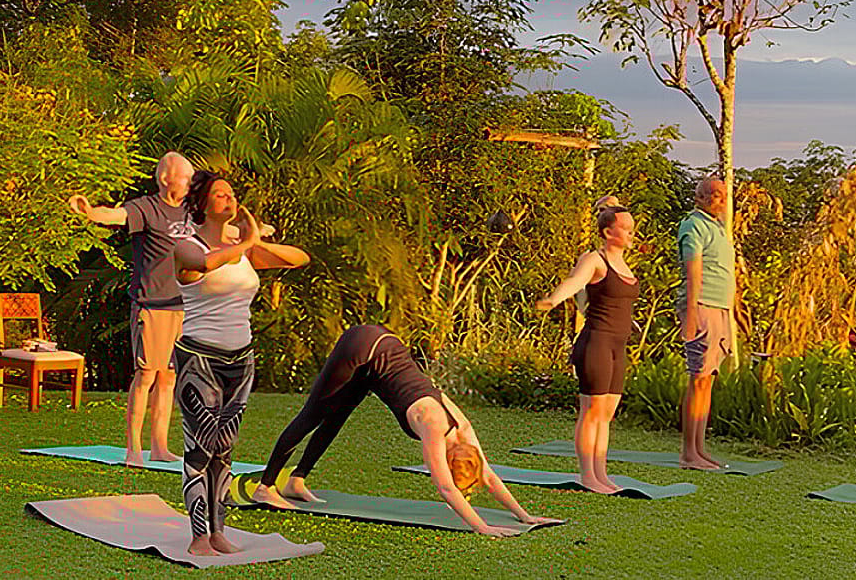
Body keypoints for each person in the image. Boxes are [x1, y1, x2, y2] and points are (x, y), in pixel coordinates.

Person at [251, 324, 560, 536]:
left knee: (338, 417)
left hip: (381, 356)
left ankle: (296, 481)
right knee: (313, 415)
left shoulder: (462, 426)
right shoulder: (433, 426)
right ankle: (266, 488)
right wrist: (483, 527)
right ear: (450, 461)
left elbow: (489, 475)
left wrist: (524, 514)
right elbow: (446, 489)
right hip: (363, 347)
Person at [172, 170, 309, 556]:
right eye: (220, 195)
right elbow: (204, 263)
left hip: (240, 358)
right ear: (200, 205)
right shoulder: (184, 243)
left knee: (224, 449)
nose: (229, 199)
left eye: (232, 194)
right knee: (200, 449)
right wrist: (246, 242)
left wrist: (256, 241)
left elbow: (299, 259)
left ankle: (218, 532)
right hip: (200, 359)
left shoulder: (242, 248)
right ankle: (199, 538)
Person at [69, 151, 196, 466]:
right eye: (186, 177)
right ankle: (134, 450)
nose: (191, 183)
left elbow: (218, 236)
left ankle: (160, 447)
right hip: (151, 305)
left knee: (168, 378)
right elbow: (115, 216)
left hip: (181, 305)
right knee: (146, 376)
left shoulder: (192, 213)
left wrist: (250, 236)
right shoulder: (146, 208)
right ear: (167, 178)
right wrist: (92, 214)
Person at [537, 205, 639, 494]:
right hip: (596, 342)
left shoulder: (624, 264)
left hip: (619, 346)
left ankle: (601, 473)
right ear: (608, 232)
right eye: (626, 228)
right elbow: (574, 281)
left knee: (607, 413)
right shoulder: (596, 260)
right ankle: (587, 476)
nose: (632, 233)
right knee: (591, 411)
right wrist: (553, 300)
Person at [677, 176, 734, 470]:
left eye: (722, 195)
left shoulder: (717, 227)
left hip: (719, 307)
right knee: (697, 377)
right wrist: (692, 311)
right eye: (712, 195)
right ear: (698, 197)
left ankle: (699, 449)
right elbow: (693, 272)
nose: (719, 199)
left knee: (707, 379)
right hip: (702, 306)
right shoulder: (694, 224)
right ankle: (688, 454)